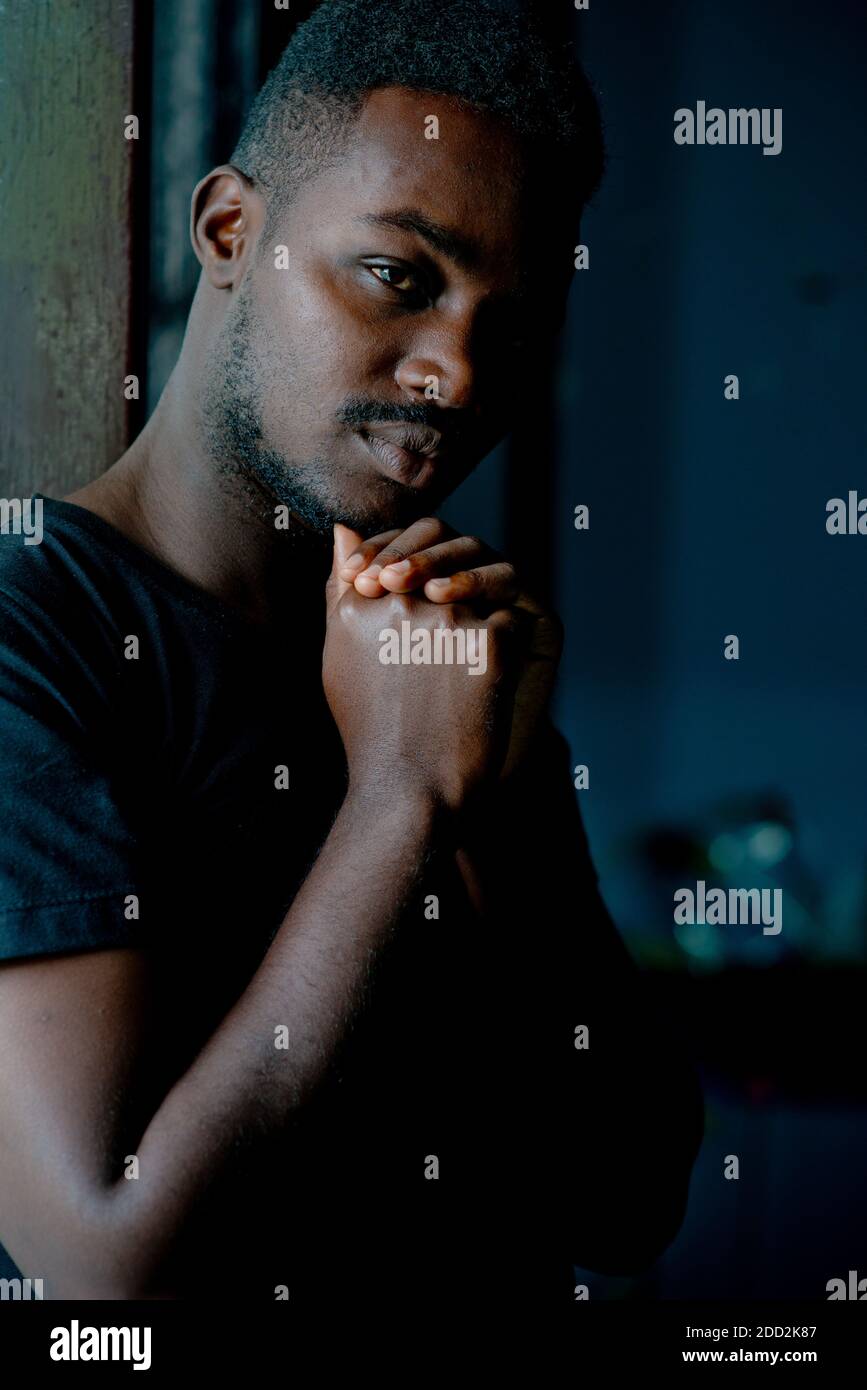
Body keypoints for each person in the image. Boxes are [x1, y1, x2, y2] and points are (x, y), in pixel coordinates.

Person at [0, 0, 702, 1308]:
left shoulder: (442, 653)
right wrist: (403, 799)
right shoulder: (35, 627)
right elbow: (105, 1263)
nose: (454, 372)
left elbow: (628, 1197)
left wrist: (499, 810)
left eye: (515, 315)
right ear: (229, 232)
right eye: (401, 274)